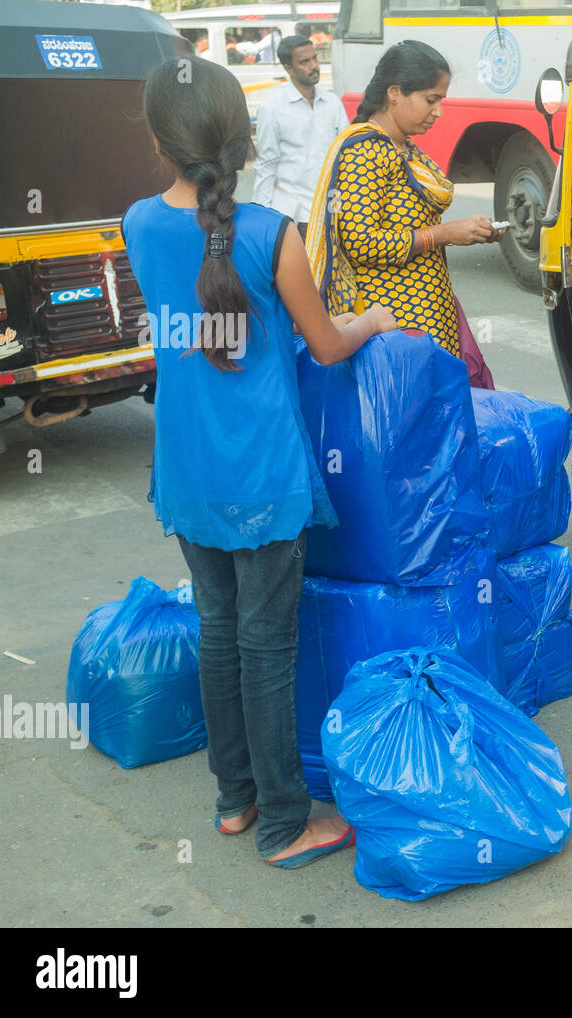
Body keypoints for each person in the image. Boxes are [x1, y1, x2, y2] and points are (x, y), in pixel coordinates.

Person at [121, 56, 396, 869]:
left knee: (219, 629)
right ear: (242, 138)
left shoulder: (136, 223)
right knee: (266, 643)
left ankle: (235, 801)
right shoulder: (275, 234)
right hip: (262, 475)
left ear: (158, 141)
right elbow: (326, 343)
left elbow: (193, 320)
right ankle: (286, 823)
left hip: (187, 469)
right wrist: (373, 318)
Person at [306, 40, 500, 361]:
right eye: (430, 100)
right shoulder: (364, 151)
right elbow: (361, 243)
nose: (437, 111)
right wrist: (442, 234)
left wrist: (472, 232)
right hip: (394, 325)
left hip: (428, 321)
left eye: (440, 100)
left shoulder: (402, 146)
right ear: (394, 93)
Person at [253, 34, 348, 237]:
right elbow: (267, 165)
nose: (314, 65)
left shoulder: (333, 104)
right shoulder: (272, 109)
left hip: (333, 212)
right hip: (295, 218)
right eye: (305, 62)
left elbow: (346, 156)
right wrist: (262, 216)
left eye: (314, 58)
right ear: (289, 69)